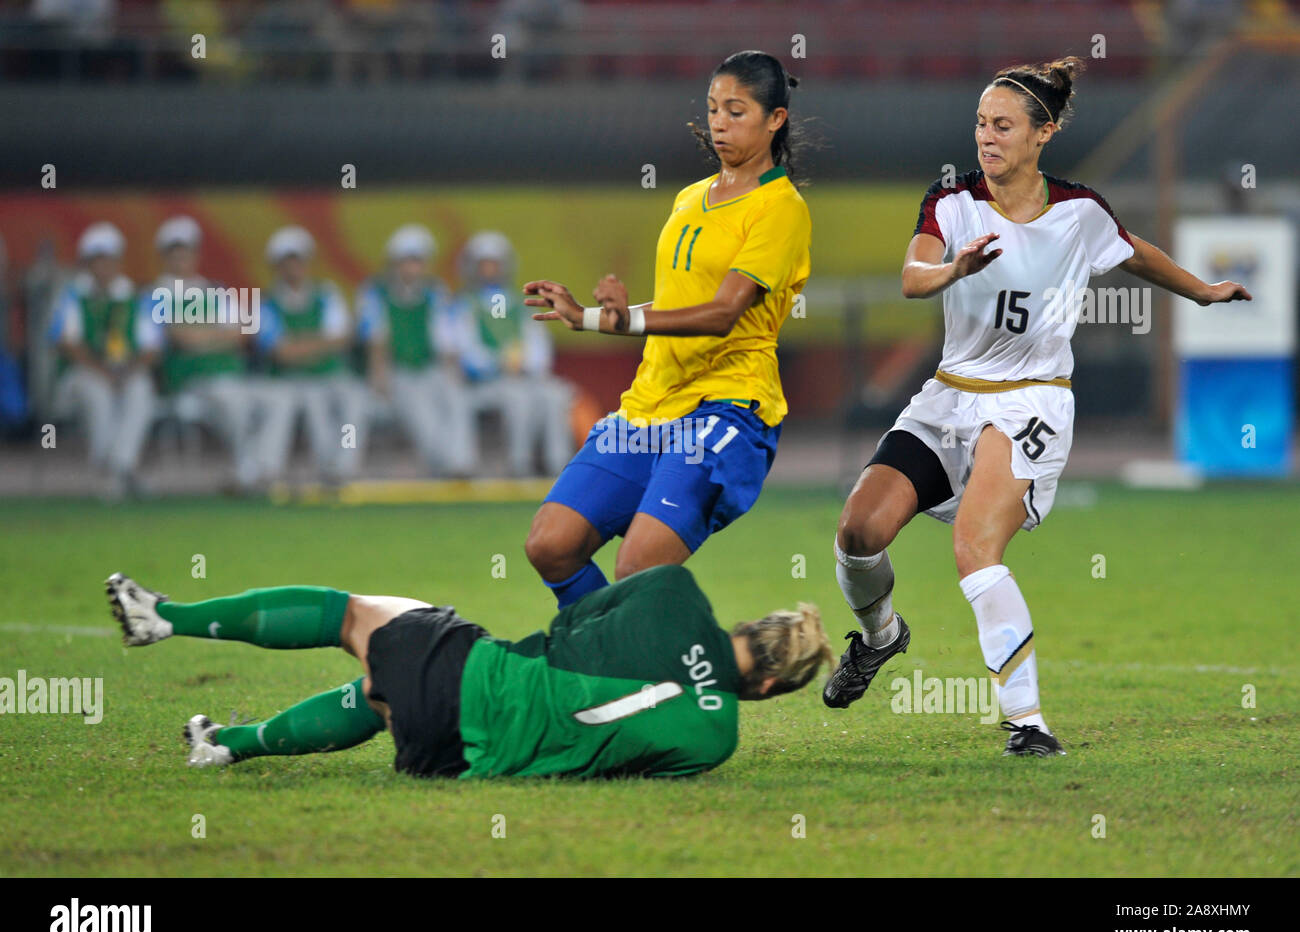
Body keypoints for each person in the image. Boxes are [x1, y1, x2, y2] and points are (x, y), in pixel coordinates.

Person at [826, 57, 1251, 757]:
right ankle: (880, 640)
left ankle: (1028, 724)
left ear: (1042, 133)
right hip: (949, 395)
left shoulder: (1080, 213)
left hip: (1031, 403)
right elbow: (911, 277)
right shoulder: (951, 202)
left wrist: (1201, 290)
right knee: (858, 532)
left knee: (974, 548)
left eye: (1002, 125)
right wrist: (952, 270)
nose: (985, 138)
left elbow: (1133, 252)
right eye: (979, 124)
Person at [523, 50, 812, 608]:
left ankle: (686, 675)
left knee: (638, 568)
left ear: (775, 119)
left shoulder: (780, 209)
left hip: (726, 409)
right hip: (649, 406)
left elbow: (723, 312)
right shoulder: (689, 198)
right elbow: (681, 304)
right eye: (713, 110)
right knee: (550, 544)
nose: (720, 123)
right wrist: (590, 317)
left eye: (737, 110)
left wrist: (630, 319)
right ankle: (609, 661)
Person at [104, 565, 832, 779]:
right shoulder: (717, 740)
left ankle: (168, 617)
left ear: (750, 626)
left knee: (353, 614)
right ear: (769, 688)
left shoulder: (675, 588)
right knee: (378, 693)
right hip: (461, 758)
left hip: (481, 679)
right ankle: (227, 743)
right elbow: (627, 766)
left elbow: (571, 621)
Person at [138, 215, 261, 489]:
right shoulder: (156, 293)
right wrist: (218, 335)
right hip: (186, 380)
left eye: (187, 251)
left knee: (273, 400)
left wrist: (203, 335)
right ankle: (248, 471)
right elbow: (183, 339)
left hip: (230, 375)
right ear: (164, 256)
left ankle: (257, 470)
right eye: (174, 252)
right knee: (232, 399)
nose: (181, 258)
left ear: (196, 254)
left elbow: (245, 333)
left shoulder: (215, 289)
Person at [357, 224, 476, 477]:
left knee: (456, 399)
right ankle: (444, 466)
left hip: (430, 368)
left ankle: (463, 463)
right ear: (394, 263)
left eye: (417, 261)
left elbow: (445, 338)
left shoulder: (435, 292)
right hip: (397, 371)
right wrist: (380, 376)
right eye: (406, 261)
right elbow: (376, 339)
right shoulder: (375, 293)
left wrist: (451, 374)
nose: (412, 268)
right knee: (419, 408)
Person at [48, 222, 156, 497]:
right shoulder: (73, 294)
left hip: (124, 372)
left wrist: (126, 373)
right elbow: (66, 343)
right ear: (87, 263)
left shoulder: (132, 296)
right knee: (97, 391)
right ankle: (109, 470)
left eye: (110, 259)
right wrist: (104, 373)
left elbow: (151, 347)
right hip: (80, 376)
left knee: (141, 389)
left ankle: (120, 466)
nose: (105, 266)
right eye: (98, 259)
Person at [456, 230, 574, 477]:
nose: (490, 270)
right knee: (518, 399)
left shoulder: (519, 304)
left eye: (495, 264)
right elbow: (465, 350)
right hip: (486, 383)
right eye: (484, 265)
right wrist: (499, 363)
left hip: (525, 377)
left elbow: (539, 345)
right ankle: (519, 467)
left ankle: (559, 467)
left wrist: (526, 363)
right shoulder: (465, 304)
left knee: (555, 396)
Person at [254, 226, 367, 484]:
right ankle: (266, 472)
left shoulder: (327, 294)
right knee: (295, 402)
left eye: (299, 259)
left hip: (328, 374)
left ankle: (343, 468)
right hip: (286, 379)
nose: (295, 266)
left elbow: (342, 338)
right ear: (277, 266)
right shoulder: (263, 302)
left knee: (354, 400)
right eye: (288, 261)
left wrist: (300, 345)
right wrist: (320, 343)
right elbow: (280, 352)